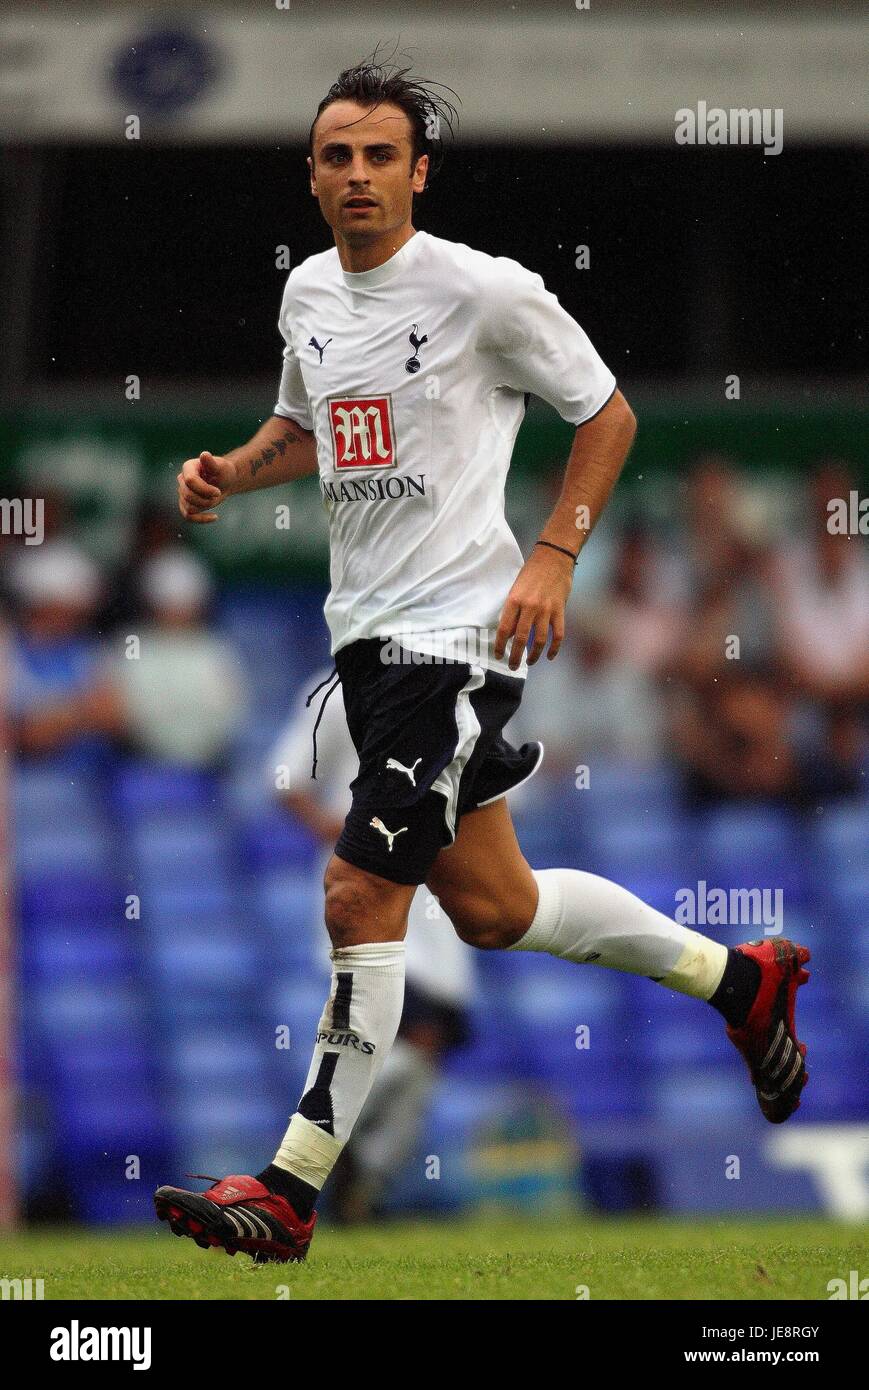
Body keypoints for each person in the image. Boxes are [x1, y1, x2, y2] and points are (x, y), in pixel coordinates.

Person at [155, 57, 810, 1264]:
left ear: (418, 172)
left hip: (455, 640)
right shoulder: (308, 294)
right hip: (366, 642)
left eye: (378, 155)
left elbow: (605, 413)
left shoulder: (480, 292)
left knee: (358, 895)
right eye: (335, 155)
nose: (357, 174)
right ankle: (738, 980)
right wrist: (233, 470)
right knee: (497, 907)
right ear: (310, 174)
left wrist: (553, 557)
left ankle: (292, 1186)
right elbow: (311, 426)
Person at [266, 665, 475, 1222]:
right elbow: (284, 779)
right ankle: (327, 1147)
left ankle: (350, 1162)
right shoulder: (338, 687)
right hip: (370, 886)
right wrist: (347, 832)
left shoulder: (455, 679)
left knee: (427, 1044)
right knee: (409, 1032)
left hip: (433, 895)